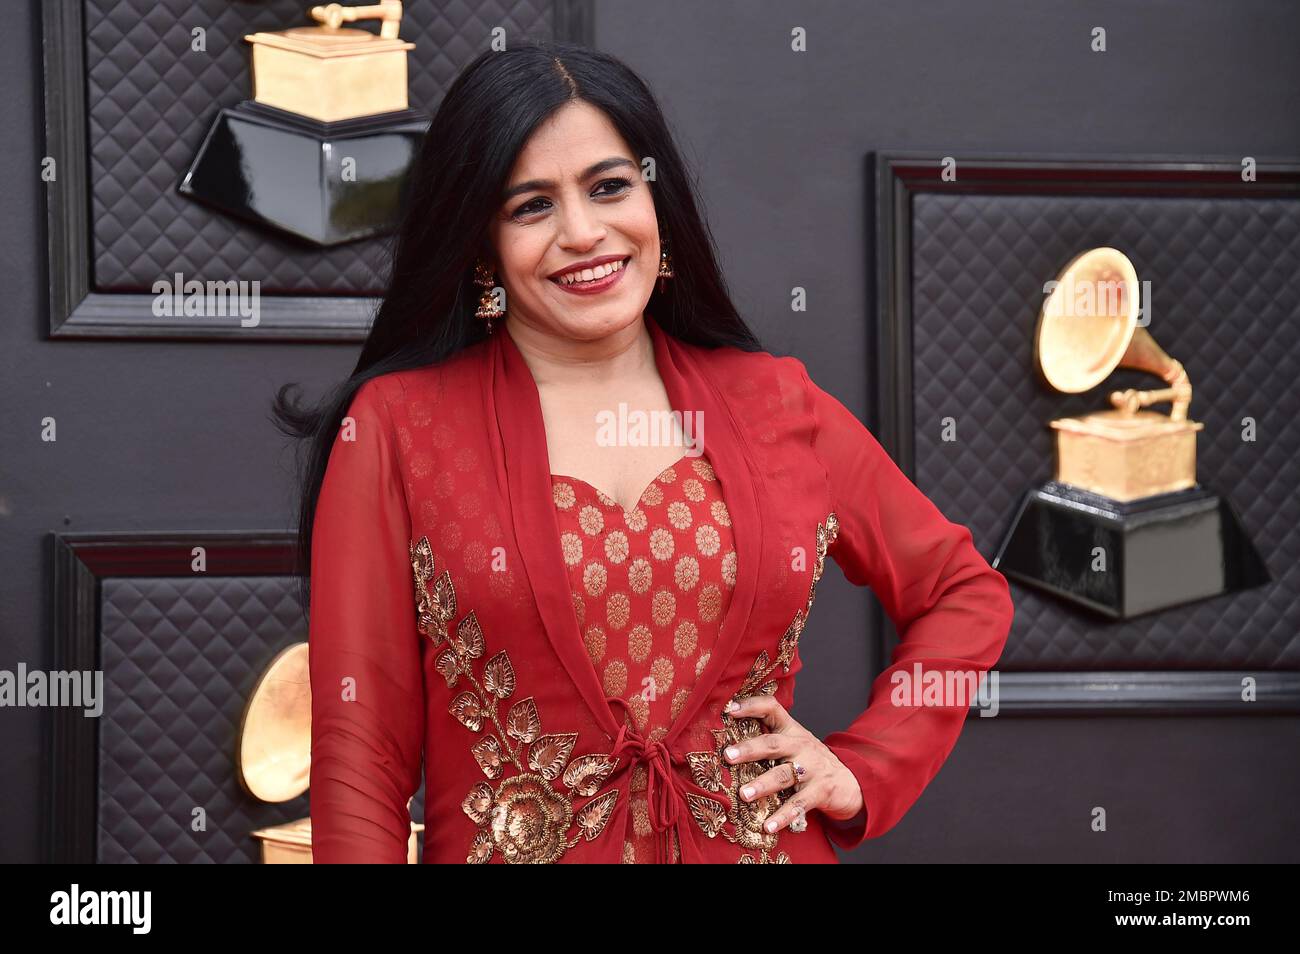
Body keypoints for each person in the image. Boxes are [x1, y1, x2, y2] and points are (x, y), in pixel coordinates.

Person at [273, 39, 1014, 864]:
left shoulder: (773, 403)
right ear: (481, 245)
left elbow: (964, 594)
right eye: (531, 206)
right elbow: (360, 756)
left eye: (609, 187)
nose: (584, 233)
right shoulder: (398, 428)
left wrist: (867, 769)